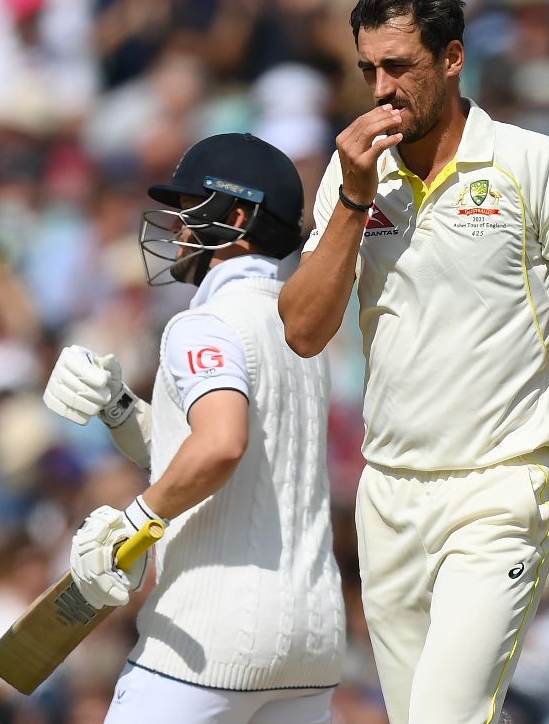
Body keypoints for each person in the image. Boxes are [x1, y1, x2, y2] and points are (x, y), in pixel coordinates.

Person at [278, 0, 549, 724]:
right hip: (388, 493)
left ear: (452, 59)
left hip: (499, 487)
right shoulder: (353, 175)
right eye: (369, 71)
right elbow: (303, 328)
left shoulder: (534, 165)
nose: (382, 90)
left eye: (400, 68)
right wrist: (354, 195)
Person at [42, 133, 345, 723]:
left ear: (235, 217)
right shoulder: (304, 332)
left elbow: (221, 444)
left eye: (190, 210)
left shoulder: (203, 325)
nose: (177, 228)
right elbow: (203, 450)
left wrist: (135, 523)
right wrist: (120, 408)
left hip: (213, 638)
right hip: (315, 643)